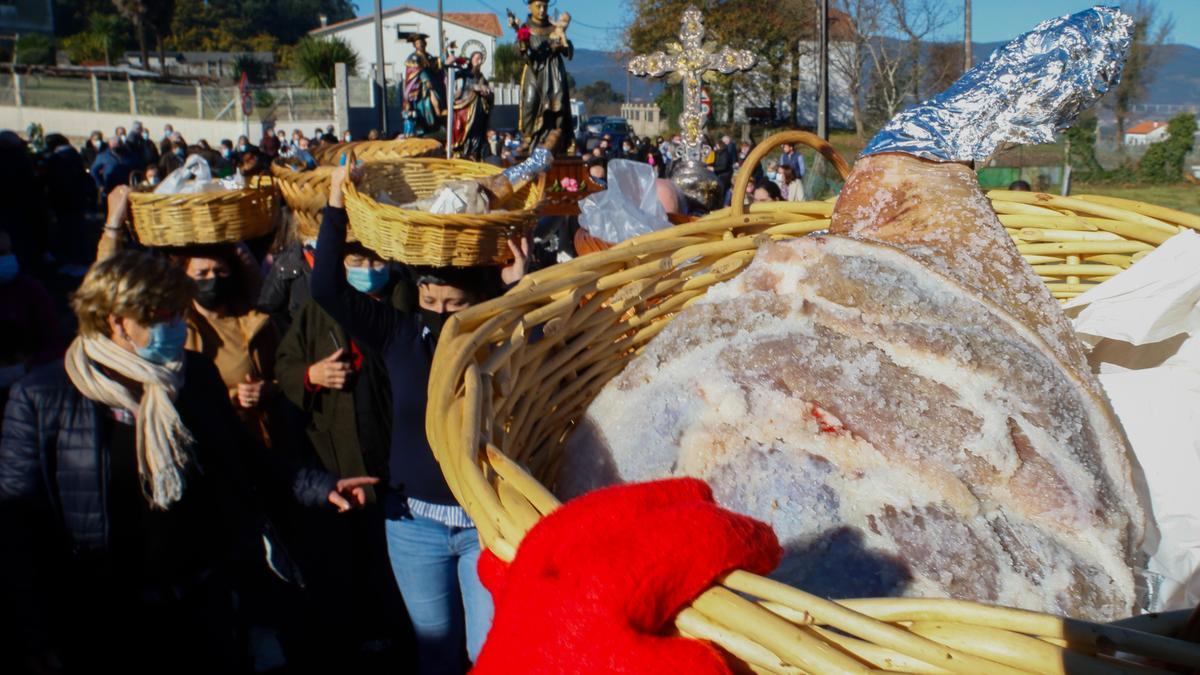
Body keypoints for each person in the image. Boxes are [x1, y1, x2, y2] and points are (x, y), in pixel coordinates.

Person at [0, 244, 376, 675]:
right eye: (160, 318)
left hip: (203, 602)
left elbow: (245, 458)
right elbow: (17, 529)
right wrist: (34, 633)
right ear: (115, 322)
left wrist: (319, 485)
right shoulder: (44, 397)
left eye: (178, 313)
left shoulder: (192, 375)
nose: (177, 327)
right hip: (105, 618)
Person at [311, 164, 530, 674]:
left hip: (484, 524)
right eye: (430, 300)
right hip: (413, 525)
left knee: (488, 653)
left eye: (454, 305)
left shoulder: (497, 336)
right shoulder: (401, 333)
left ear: (479, 302)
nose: (439, 312)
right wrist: (335, 208)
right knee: (435, 652)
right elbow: (326, 288)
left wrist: (519, 288)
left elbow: (536, 344)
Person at [274, 242, 414, 666]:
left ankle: (399, 636)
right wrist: (310, 375)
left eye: (376, 261)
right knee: (346, 554)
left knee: (395, 558)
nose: (368, 270)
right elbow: (285, 365)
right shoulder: (320, 310)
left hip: (395, 453)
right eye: (357, 261)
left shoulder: (403, 304)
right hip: (335, 454)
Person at [0, 228, 63, 411]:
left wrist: (25, 367)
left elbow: (55, 345)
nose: (6, 258)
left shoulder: (29, 290)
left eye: (8, 252)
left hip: (31, 391)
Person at [512, 0, 574, 153]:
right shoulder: (525, 28)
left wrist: (563, 46)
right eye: (538, 6)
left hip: (553, 72)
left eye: (544, 6)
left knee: (557, 104)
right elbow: (517, 50)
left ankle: (557, 138)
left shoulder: (555, 27)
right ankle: (528, 138)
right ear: (529, 7)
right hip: (533, 70)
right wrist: (523, 44)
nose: (541, 10)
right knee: (530, 102)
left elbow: (568, 51)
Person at [451, 51, 494, 161]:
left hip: (478, 107)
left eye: (481, 59)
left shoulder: (482, 77)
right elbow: (452, 76)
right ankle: (463, 151)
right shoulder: (466, 72)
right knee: (464, 128)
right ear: (471, 59)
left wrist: (486, 93)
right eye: (477, 58)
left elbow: (487, 90)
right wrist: (453, 64)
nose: (479, 61)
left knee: (477, 130)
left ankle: (474, 152)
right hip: (465, 105)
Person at [403, 33, 446, 137]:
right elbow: (415, 71)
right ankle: (424, 127)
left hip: (431, 86)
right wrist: (425, 79)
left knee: (435, 100)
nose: (420, 45)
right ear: (414, 45)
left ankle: (437, 120)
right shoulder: (413, 57)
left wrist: (444, 53)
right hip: (419, 88)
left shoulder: (428, 56)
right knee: (426, 105)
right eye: (418, 43)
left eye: (422, 43)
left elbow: (436, 67)